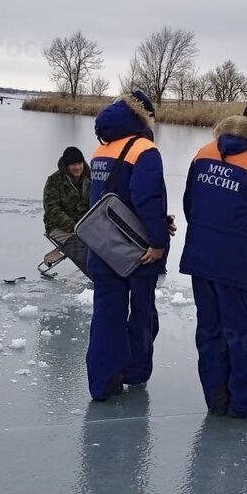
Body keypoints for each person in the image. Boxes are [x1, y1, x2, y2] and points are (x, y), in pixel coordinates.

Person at [180, 102, 247, 420]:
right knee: (243, 334)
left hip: (201, 257)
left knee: (210, 331)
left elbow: (189, 203)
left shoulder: (205, 152)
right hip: (239, 264)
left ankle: (217, 399)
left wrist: (205, 236)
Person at [85, 89, 175, 402]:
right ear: (145, 116)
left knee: (106, 317)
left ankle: (102, 383)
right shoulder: (144, 149)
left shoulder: (102, 149)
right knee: (142, 313)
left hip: (103, 246)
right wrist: (158, 241)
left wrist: (159, 221)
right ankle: (135, 372)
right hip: (137, 253)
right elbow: (145, 199)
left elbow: (105, 201)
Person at [43, 146, 92, 277]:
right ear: (66, 166)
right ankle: (98, 279)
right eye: (73, 165)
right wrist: (74, 227)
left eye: (79, 163)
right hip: (58, 227)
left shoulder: (90, 177)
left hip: (85, 225)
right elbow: (52, 210)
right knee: (79, 248)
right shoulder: (54, 181)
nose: (77, 167)